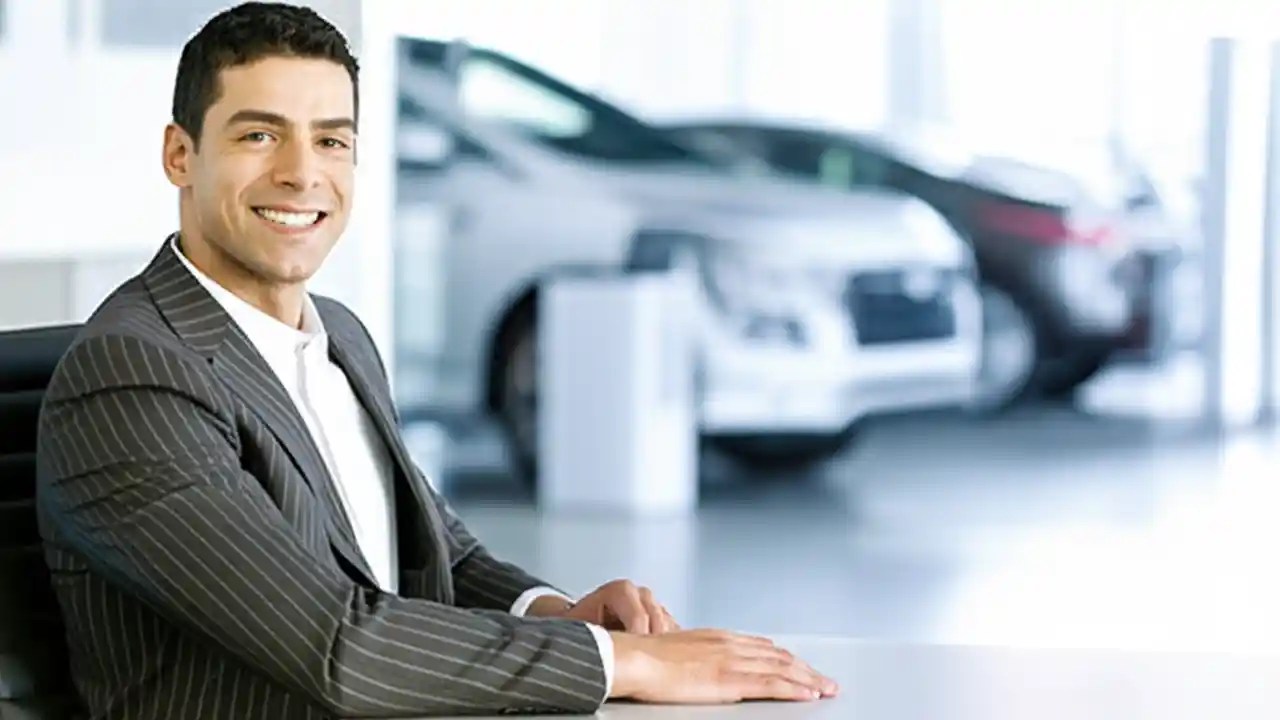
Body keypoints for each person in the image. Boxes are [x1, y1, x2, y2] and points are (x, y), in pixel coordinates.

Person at [35, 3, 838, 717]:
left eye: (331, 140)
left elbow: (437, 552)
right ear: (181, 155)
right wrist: (624, 663)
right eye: (258, 135)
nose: (301, 173)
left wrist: (557, 618)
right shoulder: (132, 374)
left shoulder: (339, 334)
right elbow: (336, 644)